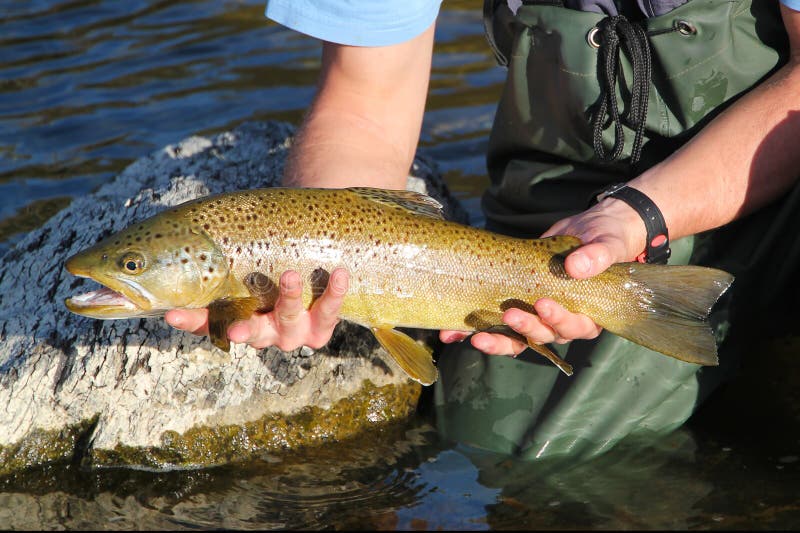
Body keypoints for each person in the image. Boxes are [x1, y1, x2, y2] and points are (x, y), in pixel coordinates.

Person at [166, 0, 800, 460]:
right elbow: (363, 106)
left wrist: (645, 210)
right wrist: (306, 258)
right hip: (571, 198)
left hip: (770, 140)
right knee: (510, 451)